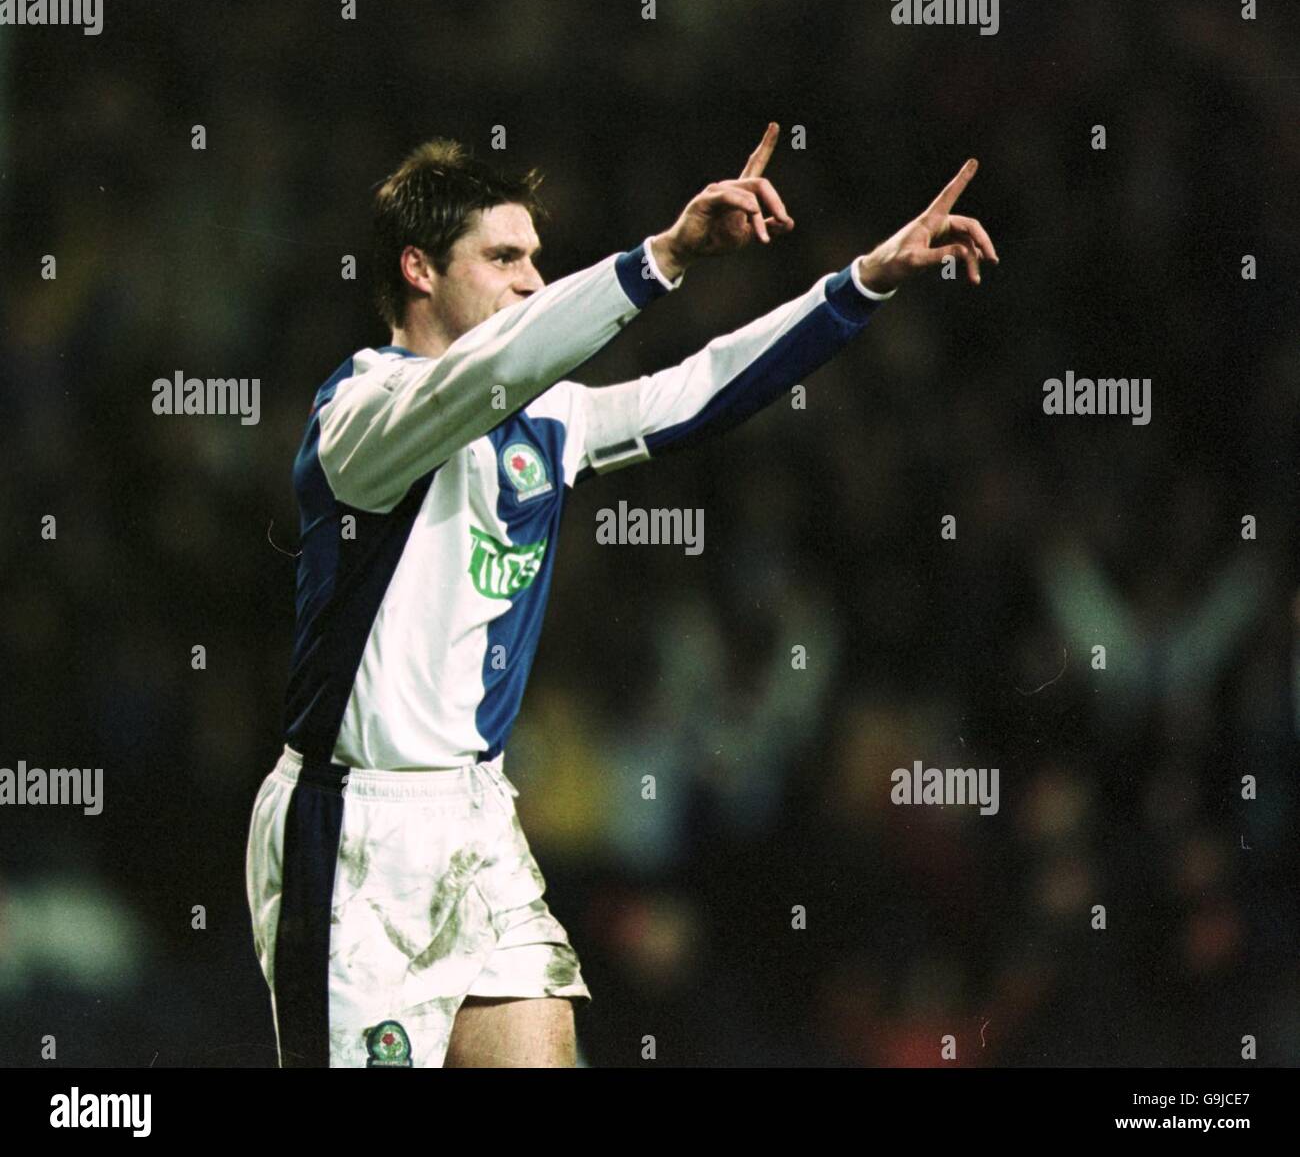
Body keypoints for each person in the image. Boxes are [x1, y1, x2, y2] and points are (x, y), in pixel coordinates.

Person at [245, 122, 997, 1067]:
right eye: (504, 257)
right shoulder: (358, 420)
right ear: (419, 270)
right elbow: (495, 369)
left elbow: (702, 387)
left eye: (538, 260)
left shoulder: (546, 422)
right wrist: (666, 256)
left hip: (474, 815)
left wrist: (862, 283)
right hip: (351, 831)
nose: (531, 280)